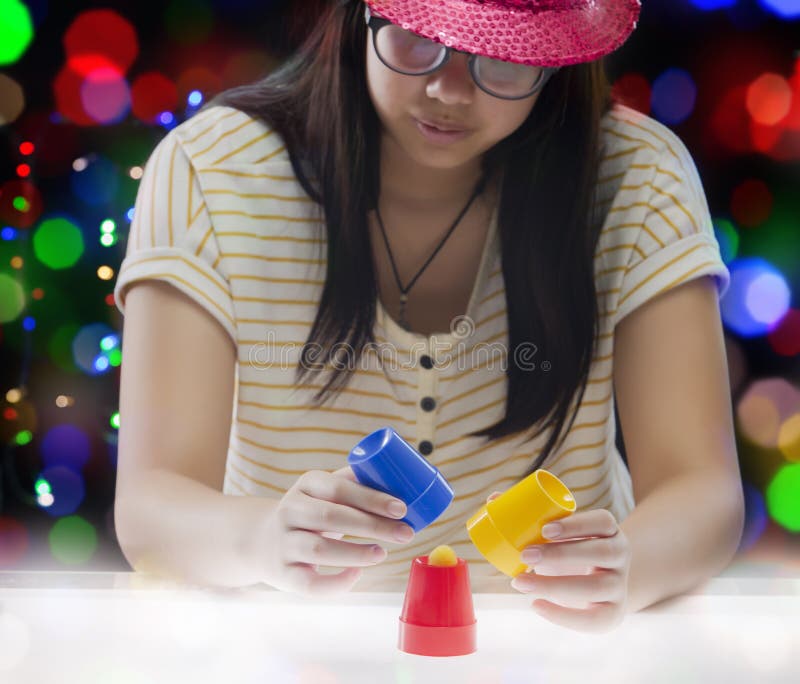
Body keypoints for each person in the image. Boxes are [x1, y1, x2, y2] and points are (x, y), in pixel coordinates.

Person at [113, 0, 745, 632]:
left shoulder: (639, 175)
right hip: (284, 644)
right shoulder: (209, 171)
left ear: (556, 59)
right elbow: (150, 507)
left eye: (500, 57)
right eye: (418, 39)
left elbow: (703, 492)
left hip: (558, 655)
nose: (449, 91)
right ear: (361, 15)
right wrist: (263, 539)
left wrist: (628, 567)